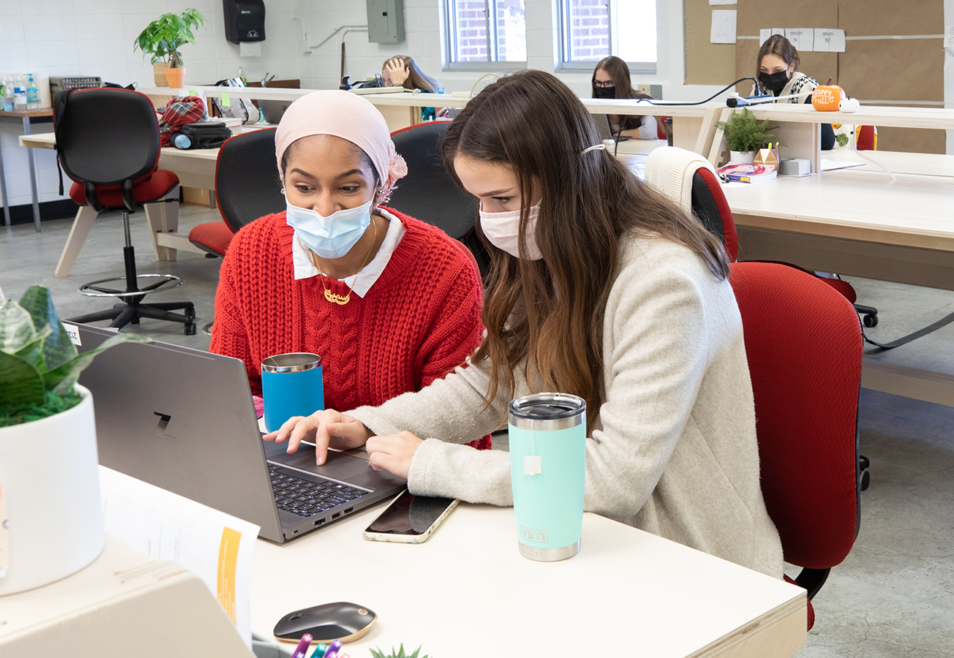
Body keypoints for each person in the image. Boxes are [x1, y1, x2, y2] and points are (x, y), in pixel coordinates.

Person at [272, 71, 784, 578]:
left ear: (567, 180)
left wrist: (431, 463)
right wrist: (367, 424)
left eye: (501, 200)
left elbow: (615, 478)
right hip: (588, 526)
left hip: (686, 555)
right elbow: (490, 384)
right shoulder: (549, 243)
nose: (488, 220)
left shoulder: (662, 282)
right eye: (479, 199)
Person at [210, 90, 489, 450]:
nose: (324, 209)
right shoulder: (251, 252)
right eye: (304, 187)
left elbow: (463, 429)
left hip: (401, 475)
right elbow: (228, 392)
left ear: (381, 186)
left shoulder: (444, 271)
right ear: (282, 181)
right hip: (284, 461)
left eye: (348, 187)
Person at [755, 35, 835, 150]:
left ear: (791, 67)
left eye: (777, 70)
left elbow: (827, 141)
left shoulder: (805, 88)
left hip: (803, 155)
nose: (770, 75)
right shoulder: (759, 89)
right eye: (764, 70)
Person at [591, 56, 658, 140]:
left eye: (609, 82)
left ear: (621, 83)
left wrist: (619, 134)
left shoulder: (641, 101)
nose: (602, 87)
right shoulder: (593, 108)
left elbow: (649, 132)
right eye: (598, 82)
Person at [381, 55, 447, 121]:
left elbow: (404, 119)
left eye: (391, 80)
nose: (386, 85)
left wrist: (398, 84)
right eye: (384, 80)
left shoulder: (424, 95)